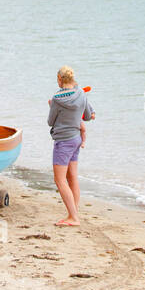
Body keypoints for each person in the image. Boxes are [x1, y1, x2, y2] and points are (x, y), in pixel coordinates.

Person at [47, 65, 94, 227]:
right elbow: (88, 116)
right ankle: (74, 212)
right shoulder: (81, 93)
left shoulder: (57, 99)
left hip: (63, 141)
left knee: (59, 179)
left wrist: (51, 106)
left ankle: (73, 217)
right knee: (72, 176)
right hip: (75, 138)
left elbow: (50, 122)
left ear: (60, 79)